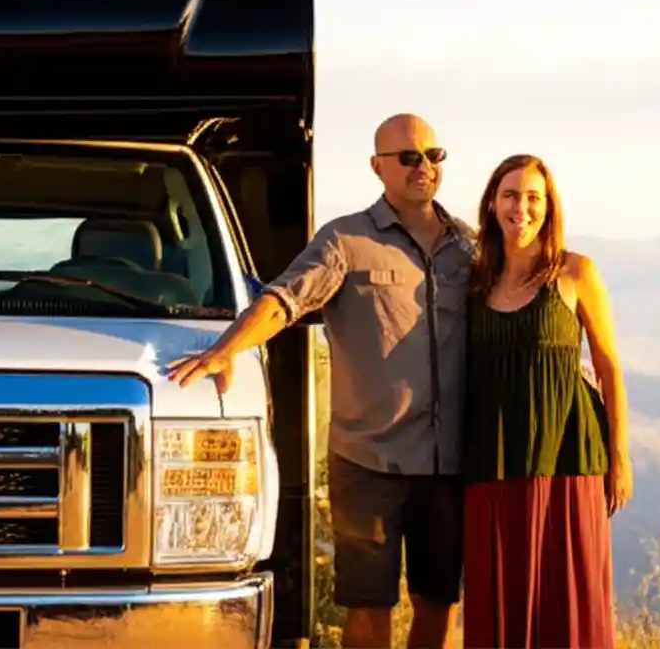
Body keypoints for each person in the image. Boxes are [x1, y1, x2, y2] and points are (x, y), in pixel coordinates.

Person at [167, 113, 475, 649]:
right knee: (367, 604)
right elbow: (286, 299)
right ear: (378, 167)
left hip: (448, 464)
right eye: (407, 157)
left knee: (438, 601)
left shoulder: (469, 247)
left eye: (433, 155)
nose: (423, 167)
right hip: (367, 462)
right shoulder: (346, 240)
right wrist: (227, 348)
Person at [460, 153, 632, 649]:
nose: (522, 207)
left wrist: (619, 457)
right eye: (511, 195)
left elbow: (609, 367)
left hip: (569, 461)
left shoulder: (576, 272)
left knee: (569, 605)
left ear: (549, 207)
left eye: (534, 197)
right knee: (503, 609)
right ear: (493, 203)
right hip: (493, 463)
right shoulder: (475, 283)